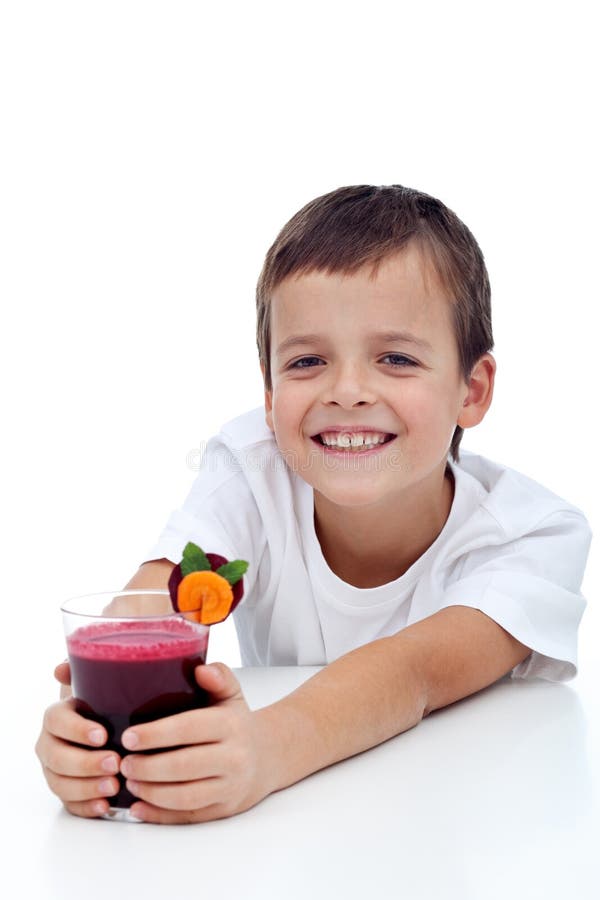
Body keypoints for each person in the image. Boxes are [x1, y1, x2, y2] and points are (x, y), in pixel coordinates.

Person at [36, 184, 592, 824]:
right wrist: (100, 732)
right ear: (270, 397)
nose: (348, 390)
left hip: (458, 823)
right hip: (290, 836)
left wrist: (265, 751)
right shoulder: (254, 466)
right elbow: (157, 602)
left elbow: (415, 673)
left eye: (395, 358)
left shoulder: (536, 536)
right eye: (306, 360)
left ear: (471, 389)